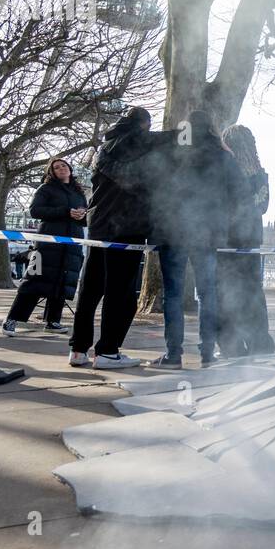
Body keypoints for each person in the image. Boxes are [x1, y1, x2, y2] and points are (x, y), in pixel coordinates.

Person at [68, 107, 171, 369]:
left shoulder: (106, 147)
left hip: (99, 225)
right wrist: (184, 133)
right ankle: (108, 351)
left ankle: (78, 349)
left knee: (90, 290)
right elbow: (153, 150)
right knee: (122, 295)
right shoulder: (141, 142)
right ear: (145, 124)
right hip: (127, 227)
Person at [150, 110, 239, 369]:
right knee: (207, 295)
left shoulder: (172, 154)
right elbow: (239, 195)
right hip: (207, 234)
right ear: (211, 128)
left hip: (173, 231)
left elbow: (156, 188)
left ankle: (173, 355)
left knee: (174, 295)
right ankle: (207, 354)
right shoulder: (223, 157)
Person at [3, 158, 86, 336]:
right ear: (52, 173)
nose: (61, 168)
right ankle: (12, 319)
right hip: (47, 243)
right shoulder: (46, 189)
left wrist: (81, 216)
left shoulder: (79, 192)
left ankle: (53, 320)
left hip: (72, 243)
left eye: (64, 165)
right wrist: (65, 211)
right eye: (56, 167)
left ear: (70, 168)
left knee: (62, 283)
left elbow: (85, 217)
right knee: (34, 281)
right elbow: (35, 210)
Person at [216, 125, 275, 358]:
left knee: (224, 296)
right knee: (252, 295)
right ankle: (260, 344)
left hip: (226, 243)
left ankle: (231, 346)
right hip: (250, 243)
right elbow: (262, 207)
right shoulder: (260, 176)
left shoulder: (224, 173)